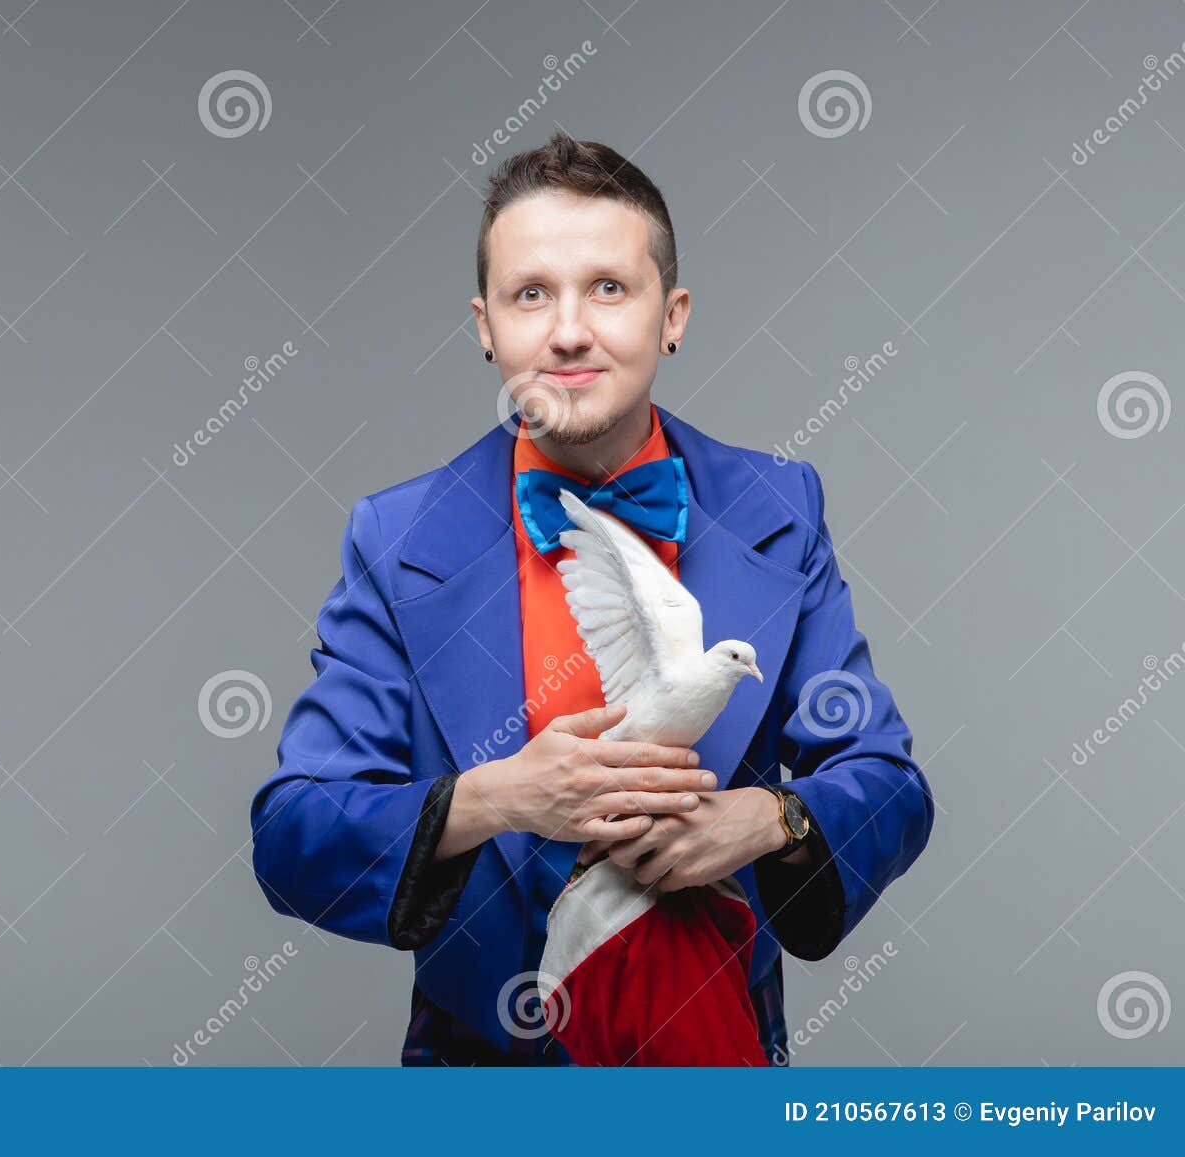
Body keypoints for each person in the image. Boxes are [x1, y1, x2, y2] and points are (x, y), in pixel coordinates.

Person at [249, 130, 934, 1065]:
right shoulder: (399, 537)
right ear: (486, 324)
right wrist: (493, 798)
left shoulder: (780, 509)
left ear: (673, 314)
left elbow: (888, 785)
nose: (569, 329)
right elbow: (295, 832)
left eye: (608, 287)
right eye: (531, 294)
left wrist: (769, 819)